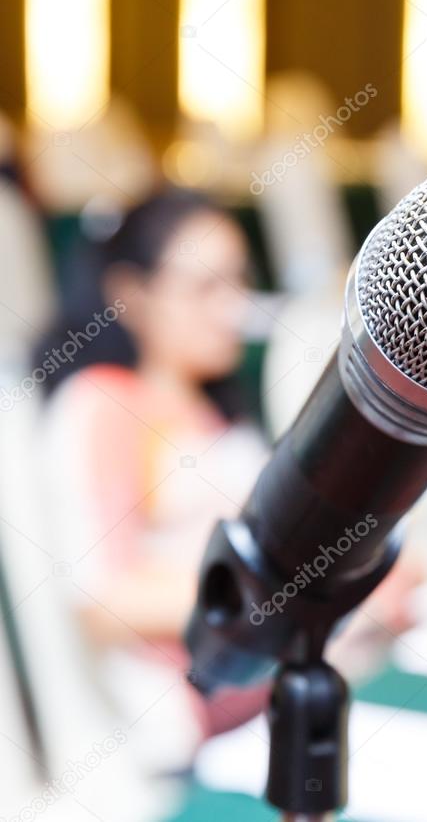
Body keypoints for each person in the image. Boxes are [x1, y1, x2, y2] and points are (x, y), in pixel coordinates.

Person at [36, 189, 269, 770]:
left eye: (239, 281)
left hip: (264, 699)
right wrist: (282, 597)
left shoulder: (218, 410)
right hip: (191, 731)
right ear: (132, 296)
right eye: (205, 288)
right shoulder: (102, 404)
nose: (233, 309)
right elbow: (104, 598)